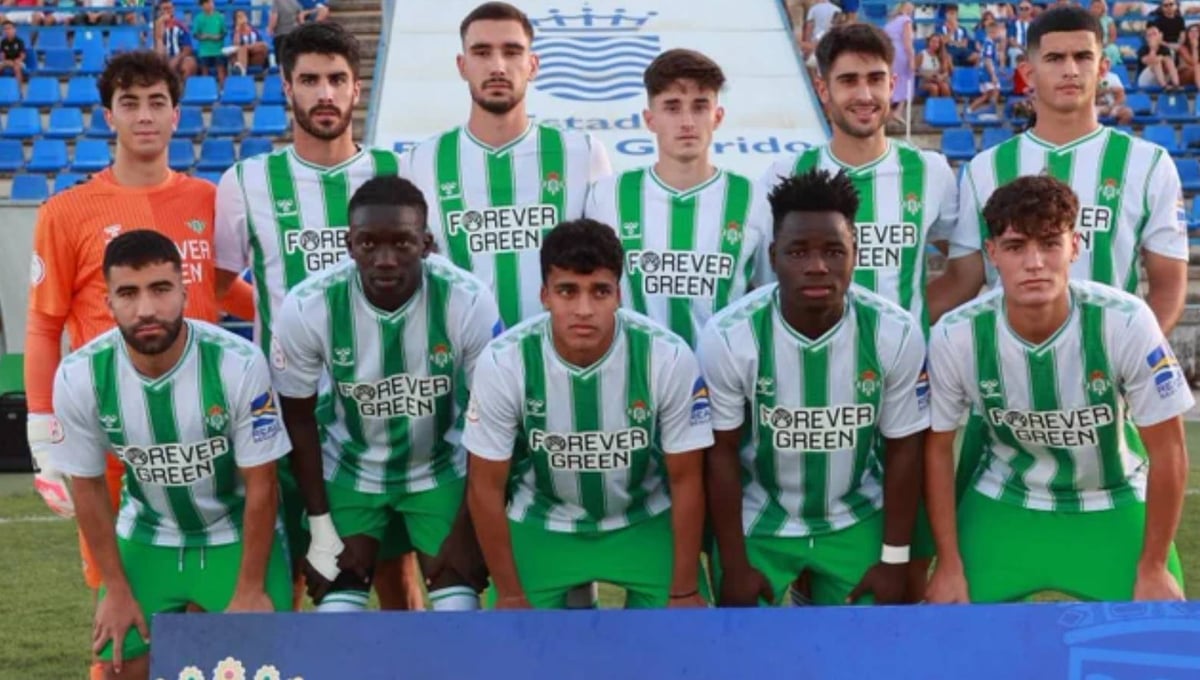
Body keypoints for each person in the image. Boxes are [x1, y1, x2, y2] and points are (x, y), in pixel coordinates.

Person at [24, 50, 255, 680]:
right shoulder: (66, 212)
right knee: (124, 611)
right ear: (109, 115)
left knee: (218, 614)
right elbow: (45, 323)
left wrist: (282, 315)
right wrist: (42, 427)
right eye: (130, 103)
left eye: (157, 102)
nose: (144, 116)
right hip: (113, 435)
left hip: (205, 428)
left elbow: (222, 284)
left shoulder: (209, 199)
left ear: (178, 114)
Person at [948, 5, 1189, 526]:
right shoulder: (986, 168)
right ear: (1028, 70)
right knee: (970, 580)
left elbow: (1168, 284)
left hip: (1107, 393)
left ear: (1103, 67)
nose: (1070, 69)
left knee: (1135, 575)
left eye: (1084, 56)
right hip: (1005, 397)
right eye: (1054, 57)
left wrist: (1127, 363)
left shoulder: (1147, 164)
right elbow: (964, 281)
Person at [214, 22, 424, 611]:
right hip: (287, 418)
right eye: (309, 80)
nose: (324, 93)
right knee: (295, 579)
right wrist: (276, 325)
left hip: (385, 417)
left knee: (395, 581)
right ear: (287, 87)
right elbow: (222, 283)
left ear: (358, 88)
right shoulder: (246, 182)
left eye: (337, 79)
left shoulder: (400, 171)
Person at [761, 24, 963, 603]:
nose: (864, 93)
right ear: (822, 88)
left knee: (904, 565)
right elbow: (763, 278)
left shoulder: (929, 172)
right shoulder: (785, 174)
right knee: (809, 555)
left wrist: (909, 323)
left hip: (905, 388)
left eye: (876, 78)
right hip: (811, 393)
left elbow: (965, 269)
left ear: (894, 84)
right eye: (847, 80)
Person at [924, 175, 1190, 604]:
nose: (1034, 263)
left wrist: (1154, 565)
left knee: (1157, 642)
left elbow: (1169, 451)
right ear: (991, 253)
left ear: (1075, 245)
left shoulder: (1125, 321)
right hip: (1007, 500)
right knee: (951, 637)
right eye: (1014, 247)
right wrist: (950, 564)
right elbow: (936, 450)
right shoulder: (957, 334)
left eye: (1049, 243)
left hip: (1113, 497)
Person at [48, 230, 292, 680]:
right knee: (117, 665)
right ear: (109, 301)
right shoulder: (80, 375)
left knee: (264, 667)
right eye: (128, 293)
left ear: (184, 291)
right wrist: (115, 589)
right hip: (149, 535)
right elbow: (85, 486)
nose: (146, 309)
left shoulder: (237, 363)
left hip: (233, 537)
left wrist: (249, 589)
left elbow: (263, 483)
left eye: (160, 289)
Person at [272, 176, 500, 613]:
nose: (385, 259)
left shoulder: (467, 300)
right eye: (369, 244)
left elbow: (487, 417)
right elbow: (298, 419)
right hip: (349, 468)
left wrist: (468, 528)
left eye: (402, 243)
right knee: (338, 612)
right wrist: (321, 531)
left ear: (427, 243)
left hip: (439, 466)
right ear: (349, 244)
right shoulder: (308, 306)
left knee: (460, 606)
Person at [703, 168, 927, 608]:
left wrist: (894, 560)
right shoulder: (730, 336)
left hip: (856, 515)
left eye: (833, 251)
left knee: (865, 654)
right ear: (773, 255)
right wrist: (734, 564)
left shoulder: (894, 332)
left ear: (855, 255)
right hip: (759, 522)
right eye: (798, 252)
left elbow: (904, 449)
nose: (817, 265)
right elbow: (722, 453)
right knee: (745, 653)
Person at [463, 218, 712, 610]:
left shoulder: (667, 356)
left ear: (619, 295)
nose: (583, 309)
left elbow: (686, 479)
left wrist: (682, 589)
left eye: (599, 292)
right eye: (567, 291)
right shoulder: (504, 361)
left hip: (642, 519)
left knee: (678, 648)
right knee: (515, 655)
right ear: (545, 295)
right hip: (542, 522)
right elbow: (485, 485)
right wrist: (511, 593)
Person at [400, 2, 611, 331]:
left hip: (559, 365)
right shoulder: (420, 162)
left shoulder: (581, 154)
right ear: (462, 65)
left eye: (512, 52)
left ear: (533, 65)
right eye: (482, 52)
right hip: (463, 366)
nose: (497, 66)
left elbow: (605, 270)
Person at [583, 48, 770, 347]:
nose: (687, 122)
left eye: (699, 107)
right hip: (635, 383)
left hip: (723, 384)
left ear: (718, 116)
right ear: (650, 119)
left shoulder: (754, 200)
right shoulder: (608, 197)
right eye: (672, 107)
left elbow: (770, 297)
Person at [883, 2, 915, 125]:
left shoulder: (890, 22)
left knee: (892, 82)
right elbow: (908, 43)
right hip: (901, 54)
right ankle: (898, 111)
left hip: (890, 53)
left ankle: (888, 111)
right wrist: (911, 59)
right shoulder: (906, 21)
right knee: (907, 81)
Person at [155, 0, 198, 80]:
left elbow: (187, 49)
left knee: (189, 63)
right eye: (165, 8)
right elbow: (157, 44)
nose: (168, 11)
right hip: (162, 57)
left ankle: (181, 90)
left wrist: (176, 59)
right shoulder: (154, 26)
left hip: (179, 57)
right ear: (160, 11)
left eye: (170, 8)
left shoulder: (180, 26)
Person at [970, 20, 1007, 112]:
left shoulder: (992, 43)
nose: (999, 34)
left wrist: (1000, 70)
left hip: (988, 72)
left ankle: (988, 111)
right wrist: (993, 75)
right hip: (986, 73)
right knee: (991, 93)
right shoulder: (989, 44)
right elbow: (987, 60)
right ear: (991, 32)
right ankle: (972, 110)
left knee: (992, 93)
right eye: (997, 32)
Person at [191, 0, 226, 85]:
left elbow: (224, 33)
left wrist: (218, 37)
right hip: (204, 51)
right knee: (204, 71)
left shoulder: (219, 17)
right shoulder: (198, 18)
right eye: (207, 3)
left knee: (221, 70)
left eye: (211, 2)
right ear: (202, 6)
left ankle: (223, 89)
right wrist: (204, 36)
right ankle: (205, 89)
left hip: (218, 50)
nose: (210, 5)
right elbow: (195, 34)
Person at [1138, 24, 1181, 89]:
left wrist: (1161, 58)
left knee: (1168, 60)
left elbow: (1169, 63)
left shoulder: (1165, 49)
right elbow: (1147, 62)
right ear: (1146, 38)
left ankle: (1176, 84)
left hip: (1162, 77)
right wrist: (1153, 49)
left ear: (1160, 35)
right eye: (1150, 35)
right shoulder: (1143, 49)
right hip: (1145, 80)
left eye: (1154, 34)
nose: (1153, 37)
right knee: (1156, 61)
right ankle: (1164, 86)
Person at [226, 9, 268, 76]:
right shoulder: (234, 32)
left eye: (243, 15)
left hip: (255, 57)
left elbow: (261, 45)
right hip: (240, 58)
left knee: (263, 45)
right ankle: (242, 71)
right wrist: (238, 30)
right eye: (239, 16)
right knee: (242, 49)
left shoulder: (254, 31)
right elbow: (236, 45)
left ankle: (245, 49)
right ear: (235, 20)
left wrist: (248, 47)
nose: (242, 18)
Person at [1096, 56, 1134, 124]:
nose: (1105, 66)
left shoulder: (1114, 77)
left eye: (1107, 63)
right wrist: (1104, 91)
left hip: (1112, 106)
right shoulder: (1090, 77)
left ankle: (1117, 131)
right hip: (1096, 107)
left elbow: (1122, 97)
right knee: (1092, 114)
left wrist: (1113, 106)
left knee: (1128, 113)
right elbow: (1088, 97)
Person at [918, 33, 953, 97]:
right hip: (925, 80)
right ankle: (933, 106)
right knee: (934, 88)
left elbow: (948, 72)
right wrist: (925, 74)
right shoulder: (922, 55)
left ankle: (945, 106)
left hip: (941, 79)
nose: (935, 44)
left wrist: (942, 76)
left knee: (944, 87)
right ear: (929, 42)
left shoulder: (944, 55)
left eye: (938, 42)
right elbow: (914, 71)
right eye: (933, 41)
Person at [1175, 22, 1200, 89]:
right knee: (1197, 67)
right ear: (1187, 34)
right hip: (1183, 74)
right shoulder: (1182, 48)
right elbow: (1193, 63)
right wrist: (1194, 47)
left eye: (1196, 31)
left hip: (1197, 75)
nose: (1193, 33)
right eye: (1191, 31)